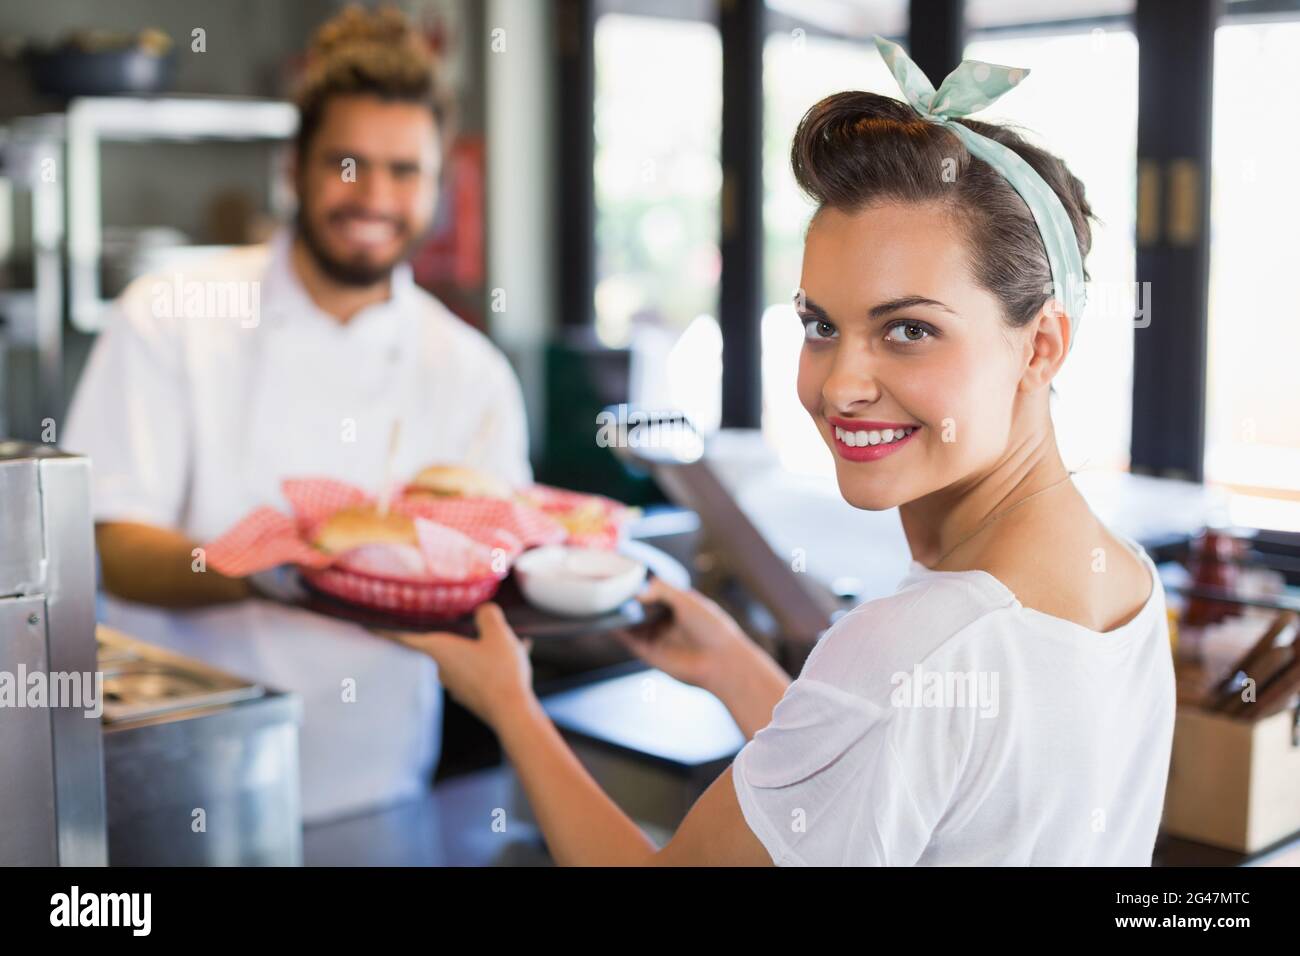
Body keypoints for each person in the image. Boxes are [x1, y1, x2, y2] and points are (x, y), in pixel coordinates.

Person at [400, 38, 1176, 865]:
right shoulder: (1122, 583)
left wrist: (509, 705)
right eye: (821, 325)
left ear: (1041, 347)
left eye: (909, 330)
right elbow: (903, 779)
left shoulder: (909, 648)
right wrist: (737, 669)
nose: (842, 384)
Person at [63, 6, 530, 822]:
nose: (375, 197)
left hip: (379, 791)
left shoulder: (470, 372)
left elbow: (494, 559)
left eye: (403, 170)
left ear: (437, 183)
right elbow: (107, 544)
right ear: (296, 168)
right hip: (179, 782)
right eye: (348, 164)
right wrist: (279, 567)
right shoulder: (172, 314)